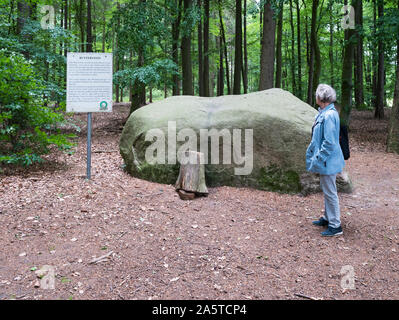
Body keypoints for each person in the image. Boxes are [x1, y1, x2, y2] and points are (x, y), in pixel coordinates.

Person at [306, 84, 346, 237]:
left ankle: (335, 225)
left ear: (321, 98)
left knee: (330, 192)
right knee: (327, 189)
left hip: (327, 160)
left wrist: (319, 158)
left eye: (316, 94)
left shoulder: (329, 115)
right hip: (326, 160)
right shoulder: (324, 112)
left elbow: (329, 142)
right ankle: (328, 218)